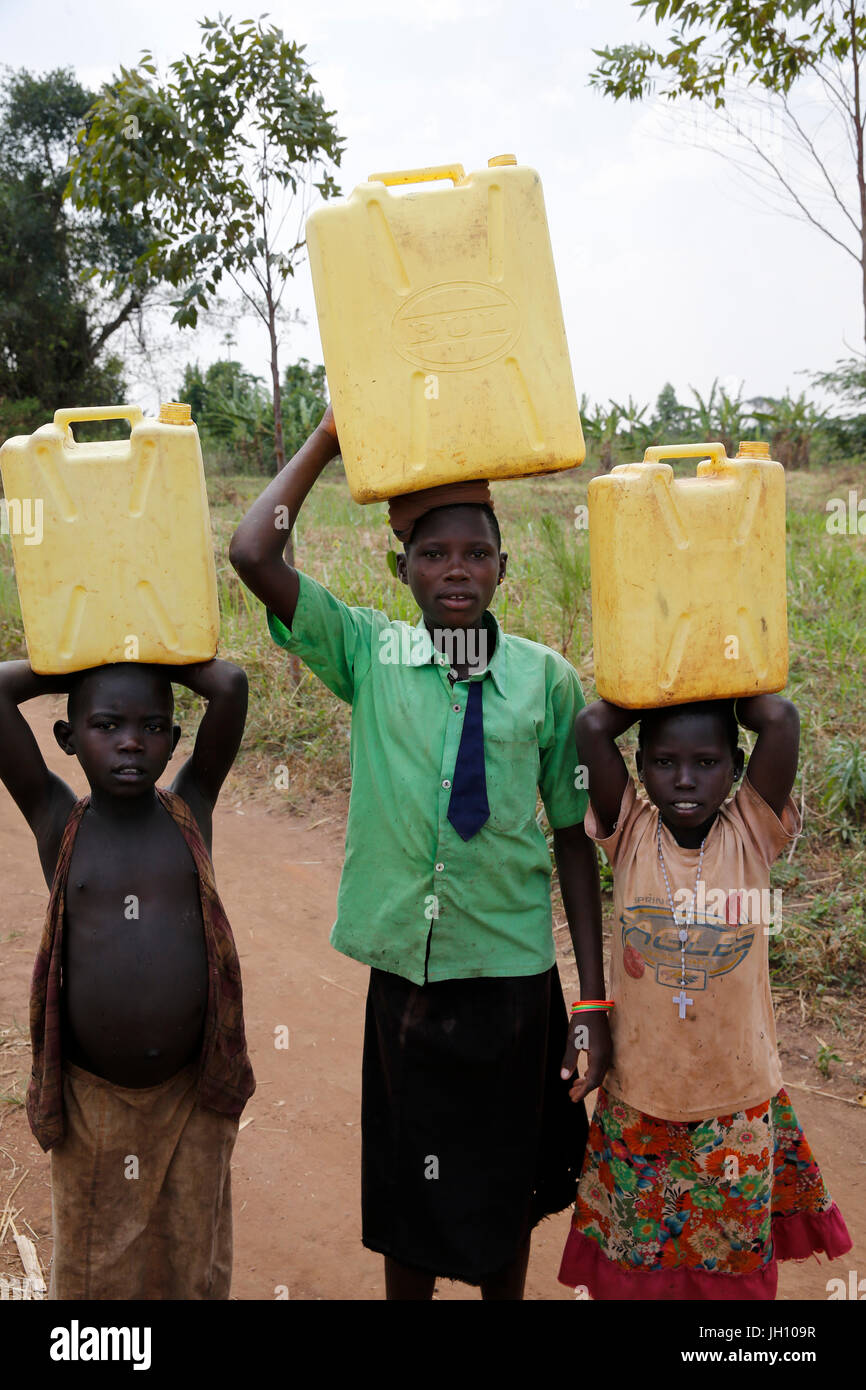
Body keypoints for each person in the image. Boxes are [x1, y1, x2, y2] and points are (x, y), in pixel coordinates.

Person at [230, 405, 610, 1300]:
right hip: (409, 977)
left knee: (505, 1190)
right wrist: (330, 435)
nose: (456, 571)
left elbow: (570, 837)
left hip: (515, 980)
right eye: (433, 554)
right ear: (397, 567)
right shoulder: (366, 652)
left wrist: (592, 997)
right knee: (411, 1190)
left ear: (503, 569)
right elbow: (253, 553)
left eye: (476, 553)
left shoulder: (546, 679)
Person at [558, 694, 852, 1299]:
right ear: (639, 767)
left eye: (707, 762)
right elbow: (591, 725)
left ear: (736, 768)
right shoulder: (630, 831)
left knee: (730, 1274)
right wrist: (662, 681)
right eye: (664, 762)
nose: (685, 779)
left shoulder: (751, 830)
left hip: (735, 1107)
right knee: (638, 1266)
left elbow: (781, 719)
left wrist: (721, 682)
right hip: (642, 1099)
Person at [0, 657, 255, 1299]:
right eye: (106, 725)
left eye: (152, 726)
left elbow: (229, 685)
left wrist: (148, 645)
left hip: (193, 1094)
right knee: (97, 1266)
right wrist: (81, 655)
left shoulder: (190, 808)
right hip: (95, 1103)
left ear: (174, 738)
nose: (131, 742)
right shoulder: (59, 820)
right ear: (66, 739)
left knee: (189, 1256)